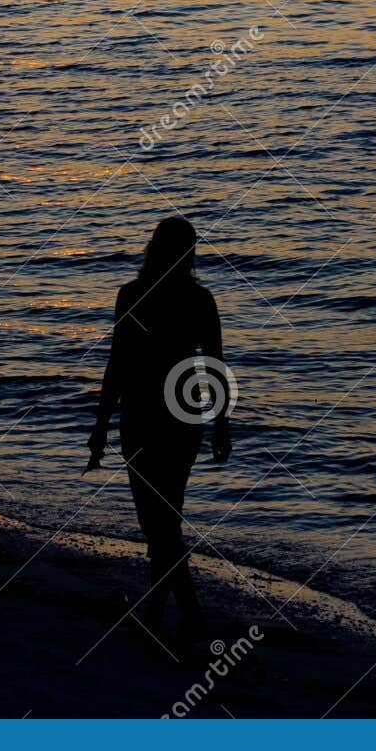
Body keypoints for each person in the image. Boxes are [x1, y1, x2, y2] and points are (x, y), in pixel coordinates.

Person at [88, 216, 231, 641]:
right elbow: (215, 365)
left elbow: (117, 364)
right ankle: (164, 613)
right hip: (181, 415)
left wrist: (101, 423)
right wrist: (221, 424)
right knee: (164, 521)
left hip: (144, 415)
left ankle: (184, 615)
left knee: (159, 523)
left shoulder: (133, 294)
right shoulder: (198, 299)